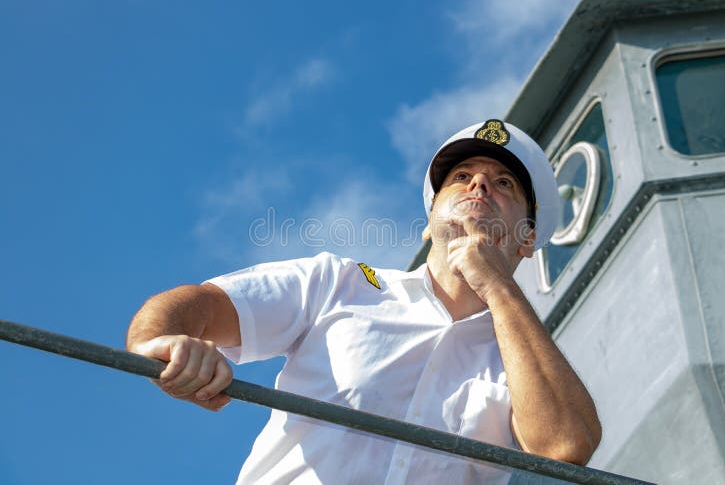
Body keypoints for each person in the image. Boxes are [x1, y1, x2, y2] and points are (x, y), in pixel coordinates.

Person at [126, 119, 601, 484]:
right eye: (461, 176)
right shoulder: (339, 283)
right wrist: (156, 342)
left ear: (528, 238)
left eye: (504, 183)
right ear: (429, 218)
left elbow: (564, 447)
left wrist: (498, 287)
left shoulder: (525, 366)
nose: (478, 186)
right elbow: (204, 302)